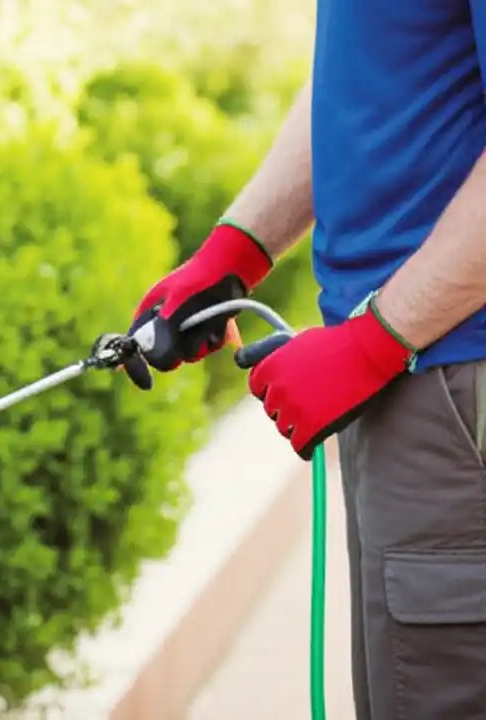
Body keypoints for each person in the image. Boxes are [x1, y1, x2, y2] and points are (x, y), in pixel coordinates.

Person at [126, 5, 486, 719]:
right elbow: (372, 72)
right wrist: (238, 248)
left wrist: (373, 342)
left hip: (453, 378)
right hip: (414, 375)